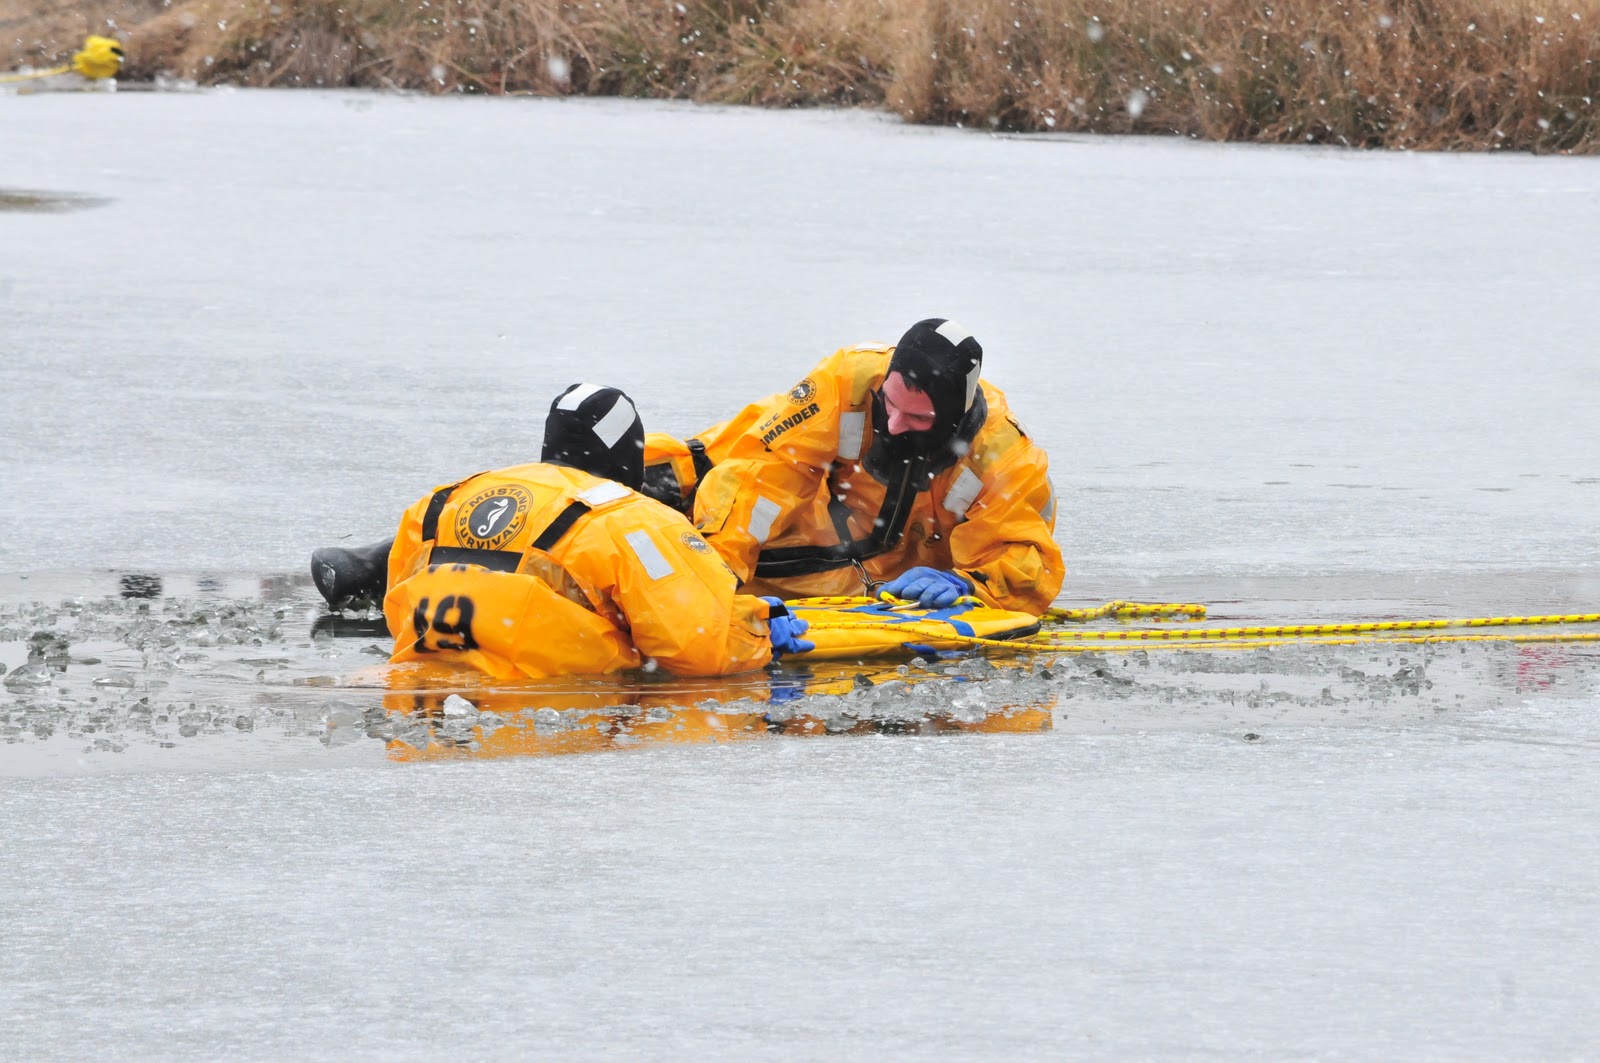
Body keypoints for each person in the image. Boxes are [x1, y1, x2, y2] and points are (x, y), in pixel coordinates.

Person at [322, 384, 813, 679]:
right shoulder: (631, 518)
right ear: (629, 453)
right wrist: (756, 631)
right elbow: (697, 648)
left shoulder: (444, 499)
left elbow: (397, 606)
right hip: (533, 704)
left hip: (417, 698)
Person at [640, 319, 1063, 615]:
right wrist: (720, 569)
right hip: (817, 519)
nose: (896, 425)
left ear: (954, 415)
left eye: (917, 419)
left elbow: (1026, 560)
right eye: (891, 406)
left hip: (898, 577)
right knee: (673, 481)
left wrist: (968, 585)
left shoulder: (1008, 457)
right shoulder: (848, 381)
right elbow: (762, 477)